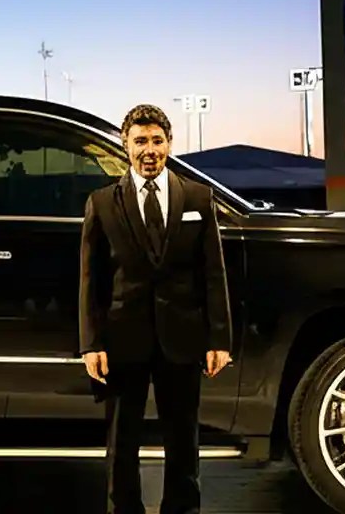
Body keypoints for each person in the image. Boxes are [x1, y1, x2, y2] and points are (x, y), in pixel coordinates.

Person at [79, 103, 232, 514]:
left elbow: (213, 273)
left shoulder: (198, 197)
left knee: (183, 440)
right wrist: (91, 343)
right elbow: (92, 280)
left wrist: (219, 338)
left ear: (169, 143)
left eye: (157, 140)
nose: (150, 150)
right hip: (122, 337)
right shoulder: (101, 202)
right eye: (140, 141)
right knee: (121, 441)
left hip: (182, 337)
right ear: (125, 145)